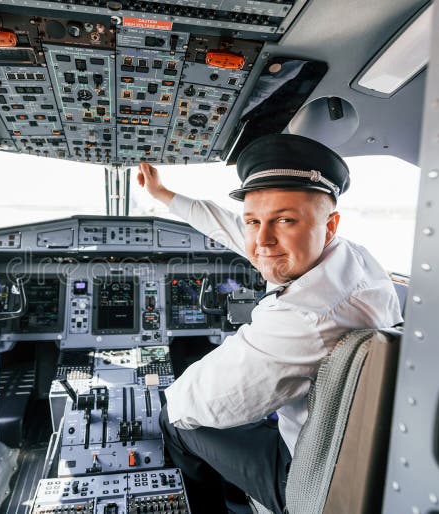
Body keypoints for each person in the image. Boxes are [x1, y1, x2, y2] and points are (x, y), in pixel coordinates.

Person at [137, 134, 403, 514]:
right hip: (351, 441)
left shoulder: (304, 317)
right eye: (254, 221)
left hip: (310, 476)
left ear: (330, 224)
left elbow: (193, 403)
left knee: (175, 420)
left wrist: (163, 391)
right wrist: (164, 195)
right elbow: (236, 229)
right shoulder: (351, 257)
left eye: (285, 220)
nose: (262, 240)